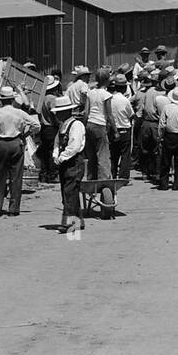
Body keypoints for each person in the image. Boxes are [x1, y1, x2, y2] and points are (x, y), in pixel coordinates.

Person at [0, 86, 37, 217]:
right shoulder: (19, 113)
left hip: (0, 143)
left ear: (1, 100)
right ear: (12, 99)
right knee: (16, 177)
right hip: (16, 143)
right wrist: (25, 134)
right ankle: (13, 209)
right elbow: (36, 125)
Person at [49, 94, 86, 234]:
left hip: (74, 162)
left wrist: (62, 157)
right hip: (65, 162)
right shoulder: (62, 126)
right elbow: (57, 142)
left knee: (70, 191)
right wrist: (55, 154)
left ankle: (69, 223)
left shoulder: (76, 125)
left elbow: (74, 146)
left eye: (59, 112)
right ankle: (77, 221)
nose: (57, 115)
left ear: (66, 111)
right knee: (69, 192)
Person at [82, 68, 117, 180]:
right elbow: (109, 115)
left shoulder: (90, 93)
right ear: (106, 81)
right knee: (103, 155)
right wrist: (115, 131)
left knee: (91, 155)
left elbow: (86, 112)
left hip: (90, 124)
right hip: (100, 125)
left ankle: (91, 178)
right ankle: (104, 179)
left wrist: (84, 125)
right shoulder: (106, 95)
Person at [136, 73, 168, 181]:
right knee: (158, 149)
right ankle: (157, 173)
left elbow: (143, 107)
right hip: (156, 123)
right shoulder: (162, 94)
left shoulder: (148, 92)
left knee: (145, 149)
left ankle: (145, 172)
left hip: (146, 122)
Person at [36, 70, 62, 183]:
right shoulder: (52, 99)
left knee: (46, 151)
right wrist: (60, 124)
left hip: (43, 127)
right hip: (52, 127)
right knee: (53, 151)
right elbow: (55, 114)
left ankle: (44, 173)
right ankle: (52, 174)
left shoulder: (40, 99)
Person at [109, 74, 135, 180]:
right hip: (124, 129)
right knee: (125, 154)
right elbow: (131, 114)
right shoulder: (125, 100)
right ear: (124, 88)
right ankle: (123, 177)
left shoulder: (109, 99)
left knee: (113, 154)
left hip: (112, 129)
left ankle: (112, 174)